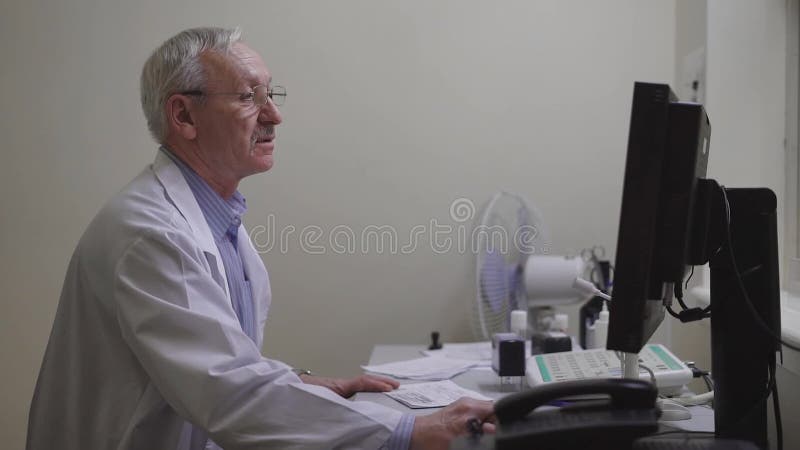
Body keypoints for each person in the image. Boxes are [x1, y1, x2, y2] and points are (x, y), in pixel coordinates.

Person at [26, 27, 495, 450]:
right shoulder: (150, 232)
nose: (274, 115)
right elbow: (227, 390)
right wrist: (406, 434)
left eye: (271, 94)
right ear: (184, 115)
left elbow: (215, 360)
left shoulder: (213, 217)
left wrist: (299, 383)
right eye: (250, 97)